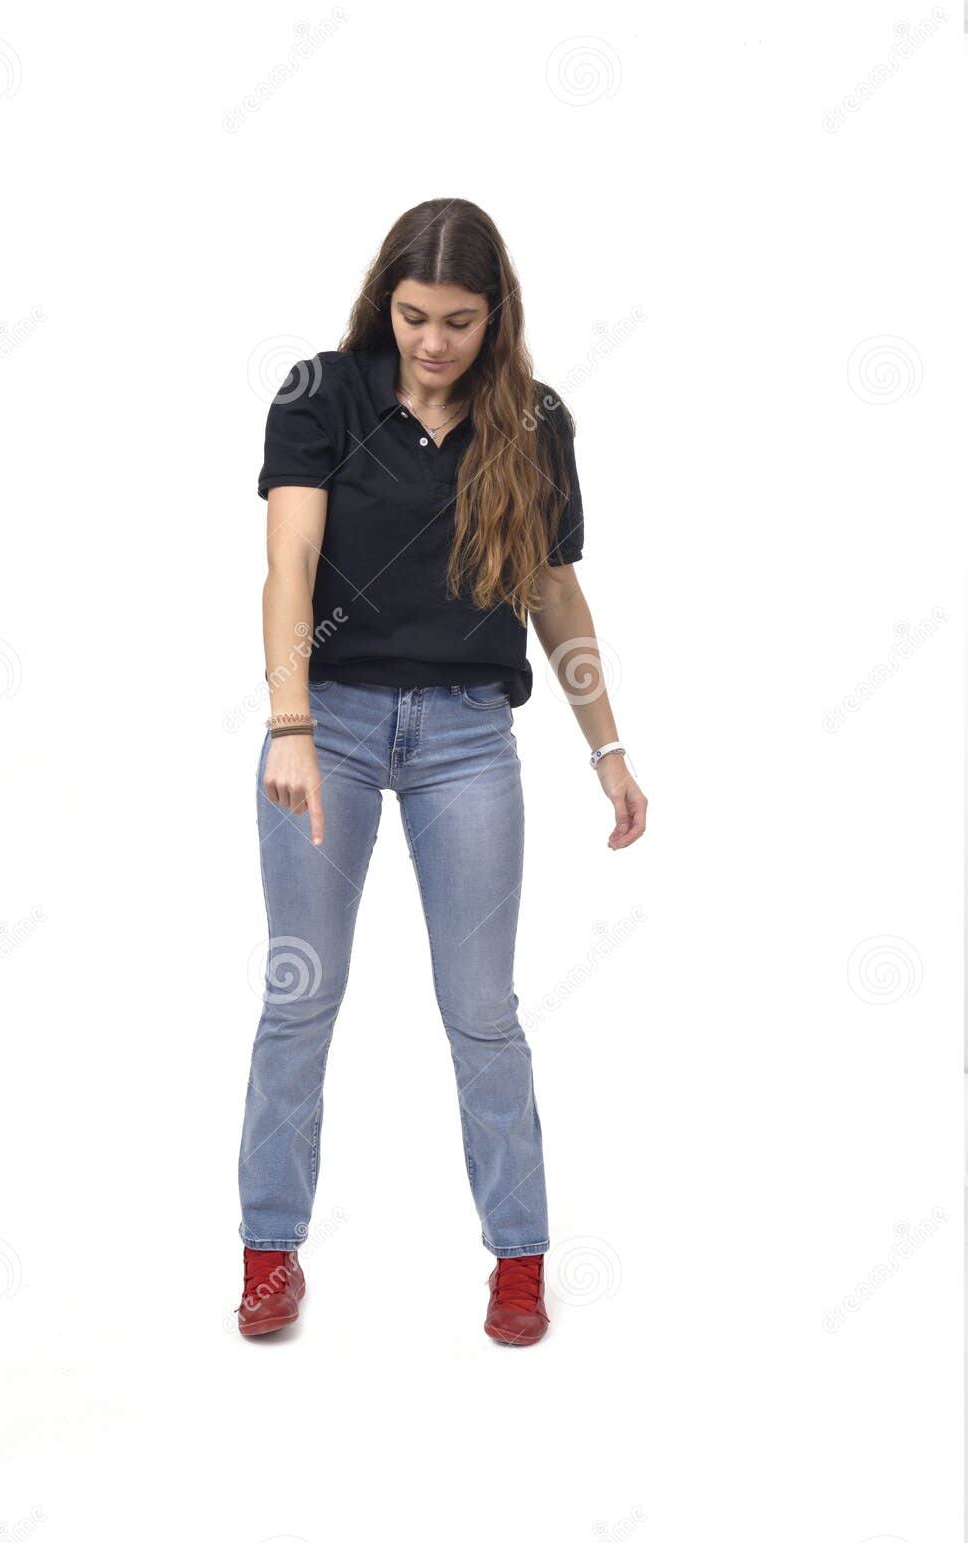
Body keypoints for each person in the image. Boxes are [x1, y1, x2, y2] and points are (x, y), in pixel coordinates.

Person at [236, 198, 647, 1345]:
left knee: (481, 1011)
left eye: (459, 321)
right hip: (331, 728)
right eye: (415, 316)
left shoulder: (533, 417)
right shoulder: (321, 395)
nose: (432, 342)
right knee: (299, 999)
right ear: (387, 302)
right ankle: (270, 1251)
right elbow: (288, 561)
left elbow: (555, 592)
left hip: (469, 735)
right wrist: (289, 724)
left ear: (494, 315)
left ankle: (518, 1261)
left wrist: (606, 748)